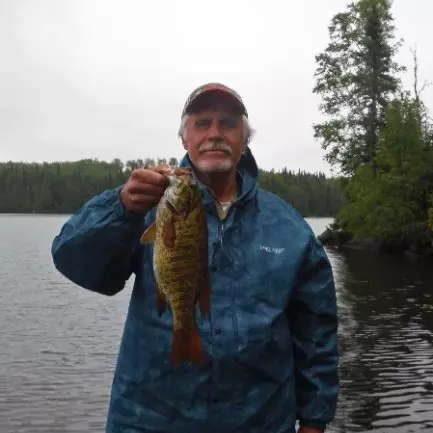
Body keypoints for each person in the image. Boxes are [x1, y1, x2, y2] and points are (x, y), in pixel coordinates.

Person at [51, 82, 339, 433]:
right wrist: (121, 208)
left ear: (244, 140)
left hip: (261, 419)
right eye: (202, 123)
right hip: (150, 419)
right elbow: (75, 262)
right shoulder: (143, 204)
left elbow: (316, 334)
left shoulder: (289, 227)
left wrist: (314, 421)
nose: (214, 134)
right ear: (184, 139)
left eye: (228, 124)